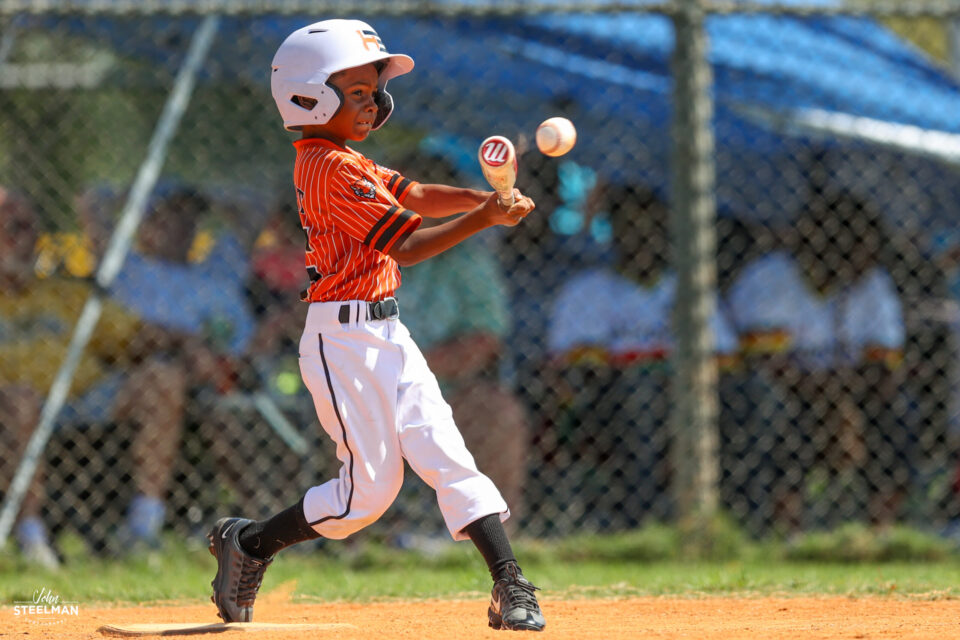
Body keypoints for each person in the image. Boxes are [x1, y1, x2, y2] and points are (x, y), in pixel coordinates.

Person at [206, 19, 545, 632]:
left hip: (389, 333)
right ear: (310, 95)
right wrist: (487, 219)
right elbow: (408, 245)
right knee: (367, 496)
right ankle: (251, 543)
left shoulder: (350, 160)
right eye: (357, 92)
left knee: (445, 450)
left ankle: (511, 584)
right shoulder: (325, 169)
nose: (374, 103)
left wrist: (481, 200)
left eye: (373, 92)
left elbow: (414, 194)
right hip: (343, 342)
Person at [545, 182, 739, 528]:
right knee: (639, 393)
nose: (642, 238)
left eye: (653, 227)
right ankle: (641, 521)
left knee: (750, 394)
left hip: (688, 396)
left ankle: (738, 519)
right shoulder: (588, 289)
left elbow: (725, 356)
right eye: (631, 226)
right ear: (614, 232)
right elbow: (575, 368)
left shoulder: (689, 290)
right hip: (609, 403)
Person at [726, 190, 907, 530]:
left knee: (898, 411)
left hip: (851, 397)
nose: (864, 258)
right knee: (771, 407)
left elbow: (884, 367)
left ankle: (880, 532)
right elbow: (768, 367)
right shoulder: (769, 279)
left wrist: (844, 405)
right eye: (852, 243)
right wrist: (834, 407)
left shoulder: (872, 285)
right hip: (790, 395)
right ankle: (785, 530)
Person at [392, 150, 531, 538]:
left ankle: (498, 536)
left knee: (500, 414)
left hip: (444, 389)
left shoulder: (466, 261)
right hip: (371, 384)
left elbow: (483, 341)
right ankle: (348, 541)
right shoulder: (367, 247)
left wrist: (411, 367)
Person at [0, 187, 140, 568]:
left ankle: (145, 530)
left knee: (161, 379)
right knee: (21, 402)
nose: (21, 241)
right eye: (9, 229)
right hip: (15, 406)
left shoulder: (62, 292)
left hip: (86, 398)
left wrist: (189, 344)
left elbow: (134, 333)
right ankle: (31, 537)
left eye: (27, 228)